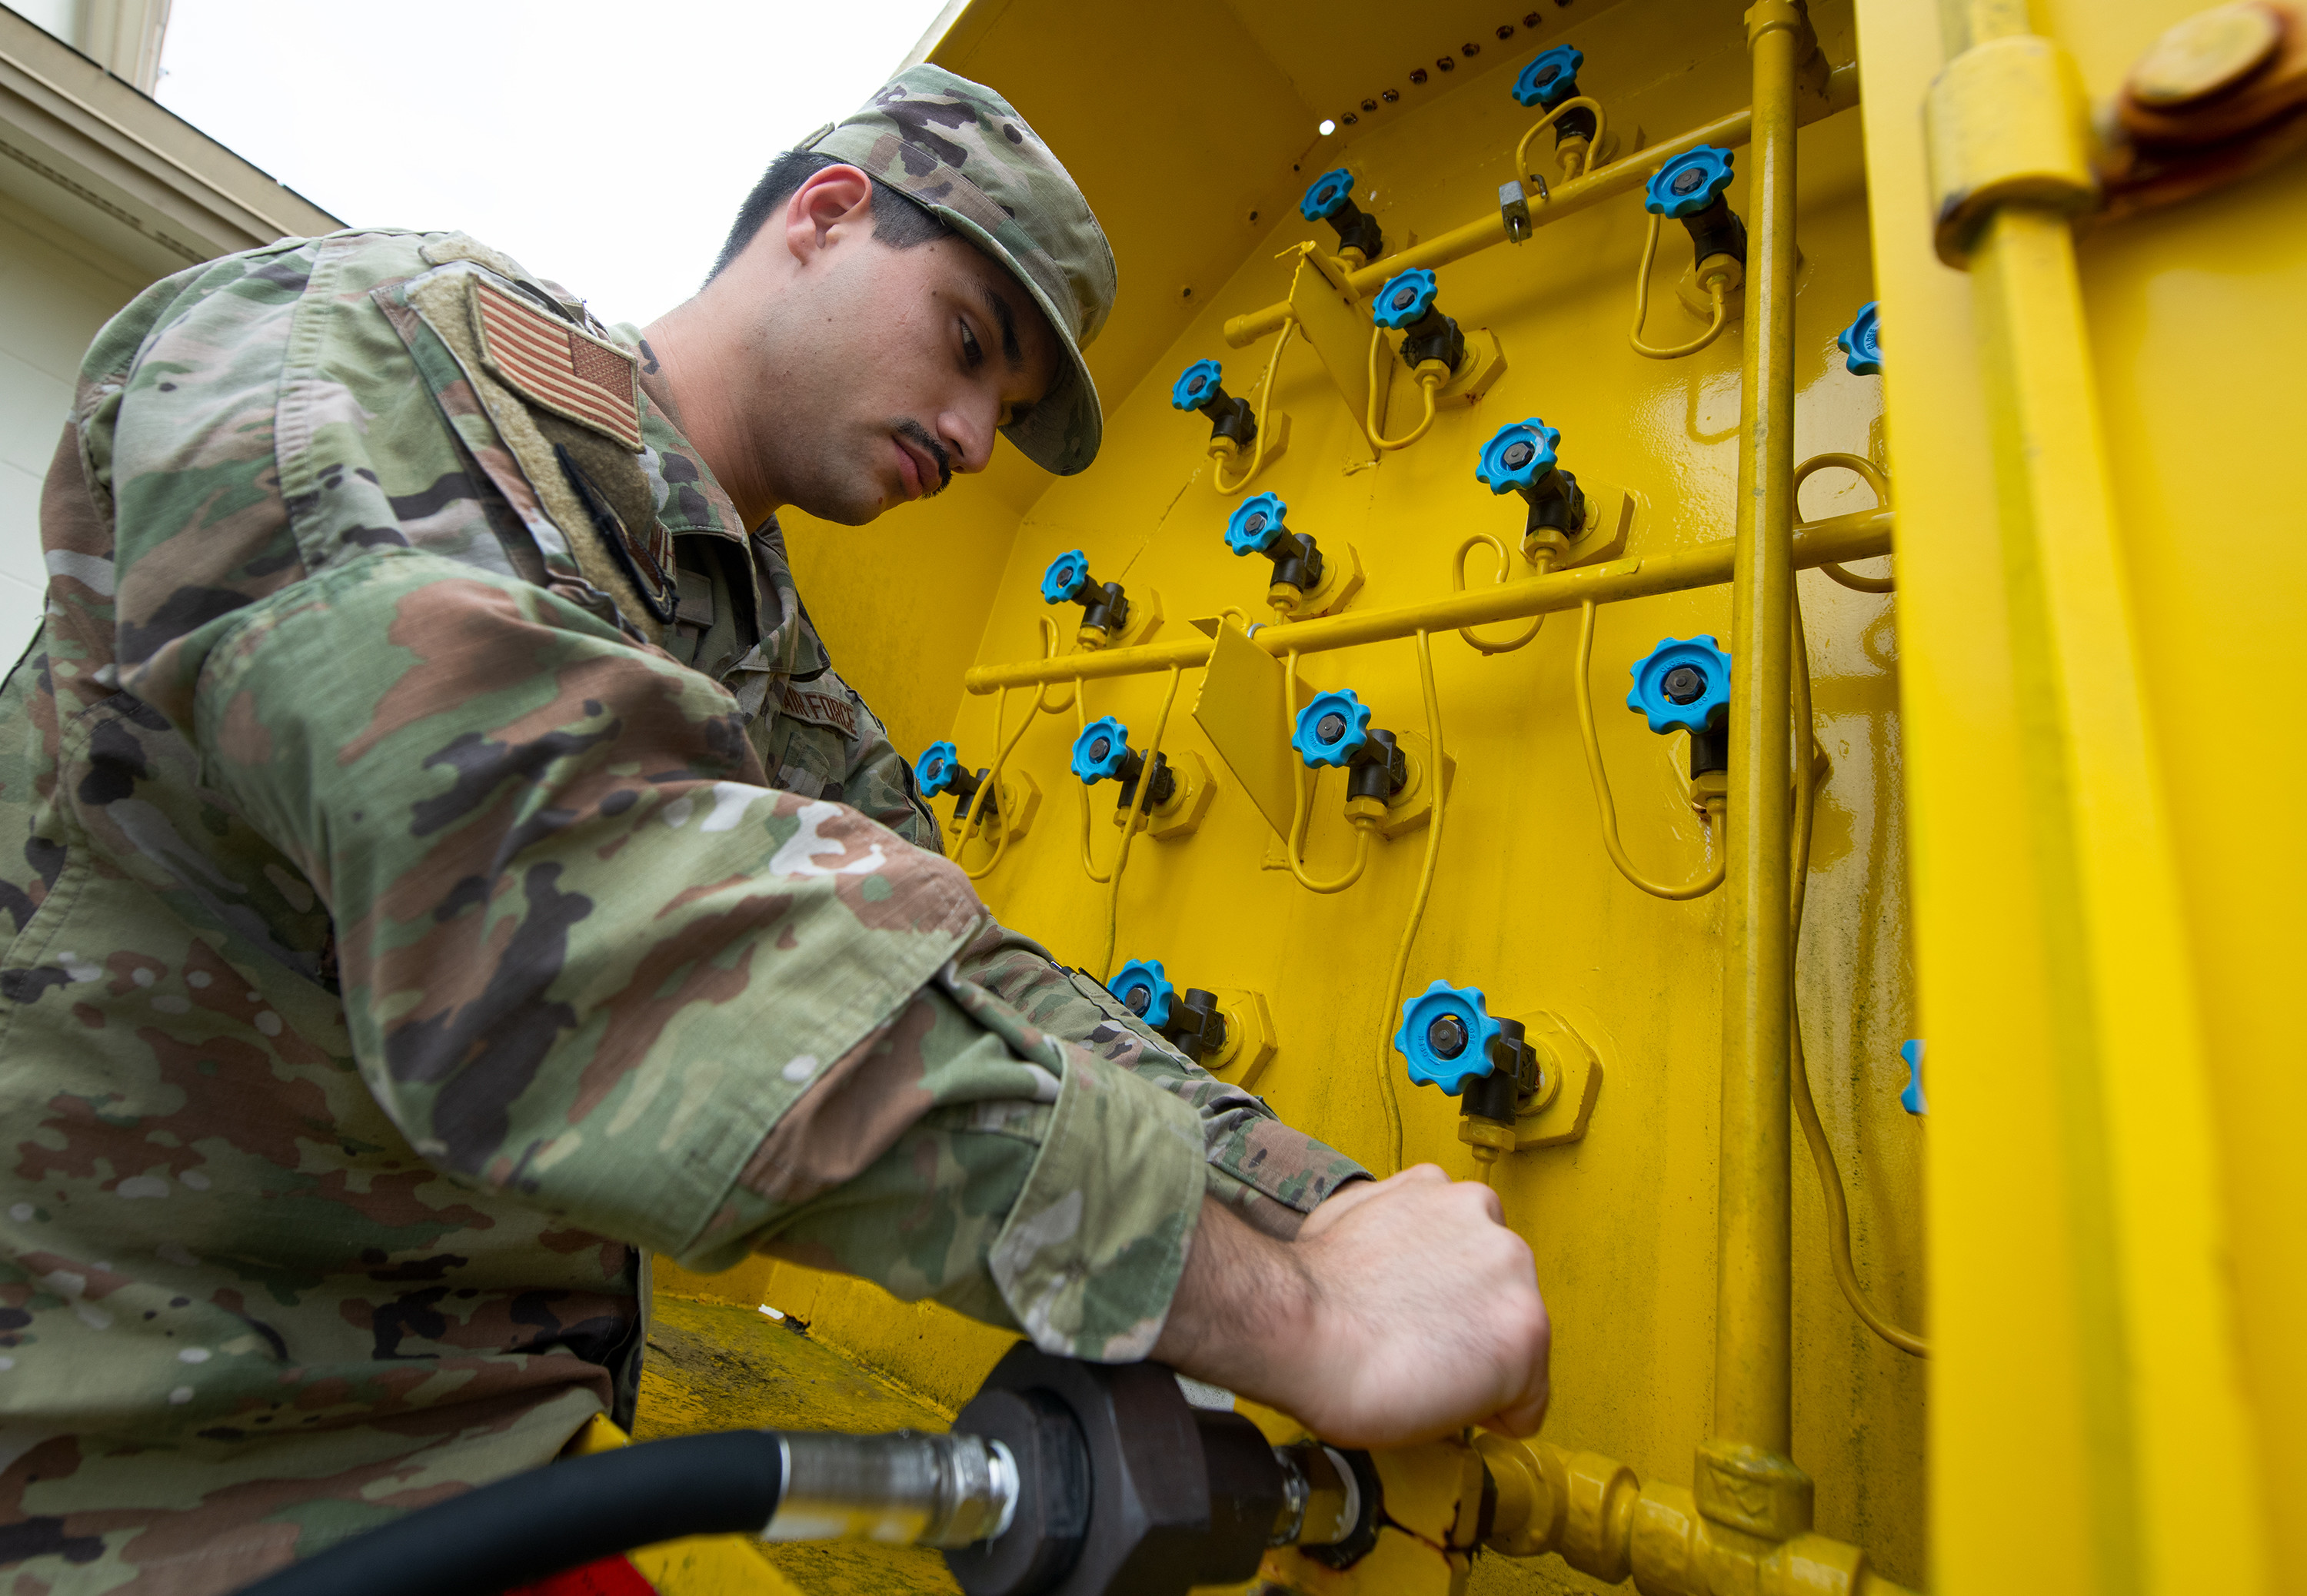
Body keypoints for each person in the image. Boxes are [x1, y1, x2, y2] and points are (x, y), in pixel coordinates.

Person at [0, 65, 1549, 1590]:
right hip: (119, 1451)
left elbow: (979, 981)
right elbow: (577, 942)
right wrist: (1303, 1317)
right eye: (967, 342)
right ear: (823, 214)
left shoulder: (753, 639)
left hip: (433, 1448)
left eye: (1005, 408)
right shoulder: (381, 356)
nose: (973, 435)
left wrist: (1330, 1210)